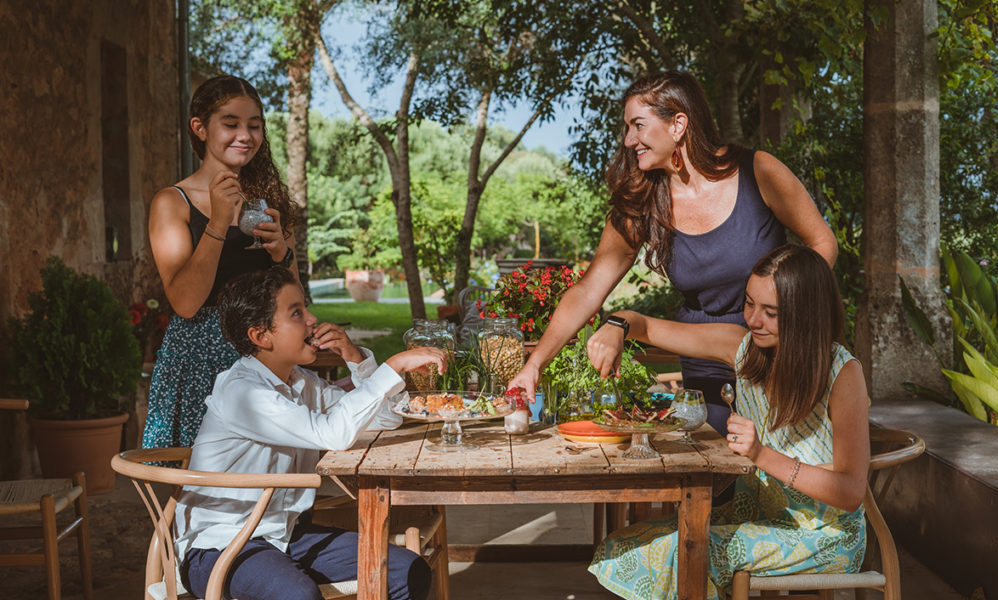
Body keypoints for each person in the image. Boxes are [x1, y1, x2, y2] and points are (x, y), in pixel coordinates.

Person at [508, 71, 837, 427]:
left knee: (785, 466)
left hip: (780, 351)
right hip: (705, 361)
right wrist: (533, 365)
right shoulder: (643, 202)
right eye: (627, 128)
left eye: (638, 125)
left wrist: (791, 321)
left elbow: (822, 243)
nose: (628, 139)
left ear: (678, 124)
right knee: (714, 470)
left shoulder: (757, 172)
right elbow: (589, 289)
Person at [586, 244, 869, 600]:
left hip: (825, 536)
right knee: (624, 544)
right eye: (749, 304)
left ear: (806, 314)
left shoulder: (843, 374)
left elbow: (851, 491)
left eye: (771, 312)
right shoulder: (744, 348)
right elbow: (647, 326)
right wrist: (617, 325)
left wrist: (761, 454)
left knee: (683, 551)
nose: (753, 320)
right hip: (758, 518)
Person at [174, 266, 446, 600]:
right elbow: (334, 433)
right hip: (222, 545)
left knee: (407, 571)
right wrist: (392, 367)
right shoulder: (242, 392)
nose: (313, 319)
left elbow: (386, 419)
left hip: (288, 536)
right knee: (297, 595)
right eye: (297, 313)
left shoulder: (302, 383)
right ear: (261, 335)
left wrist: (357, 359)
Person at [144, 75, 299, 450]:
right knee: (204, 487)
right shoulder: (172, 202)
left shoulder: (269, 201)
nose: (244, 135)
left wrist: (282, 253)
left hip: (264, 354)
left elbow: (295, 298)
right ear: (200, 128)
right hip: (199, 360)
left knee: (270, 480)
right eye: (230, 124)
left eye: (254, 125)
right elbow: (185, 302)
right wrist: (216, 222)